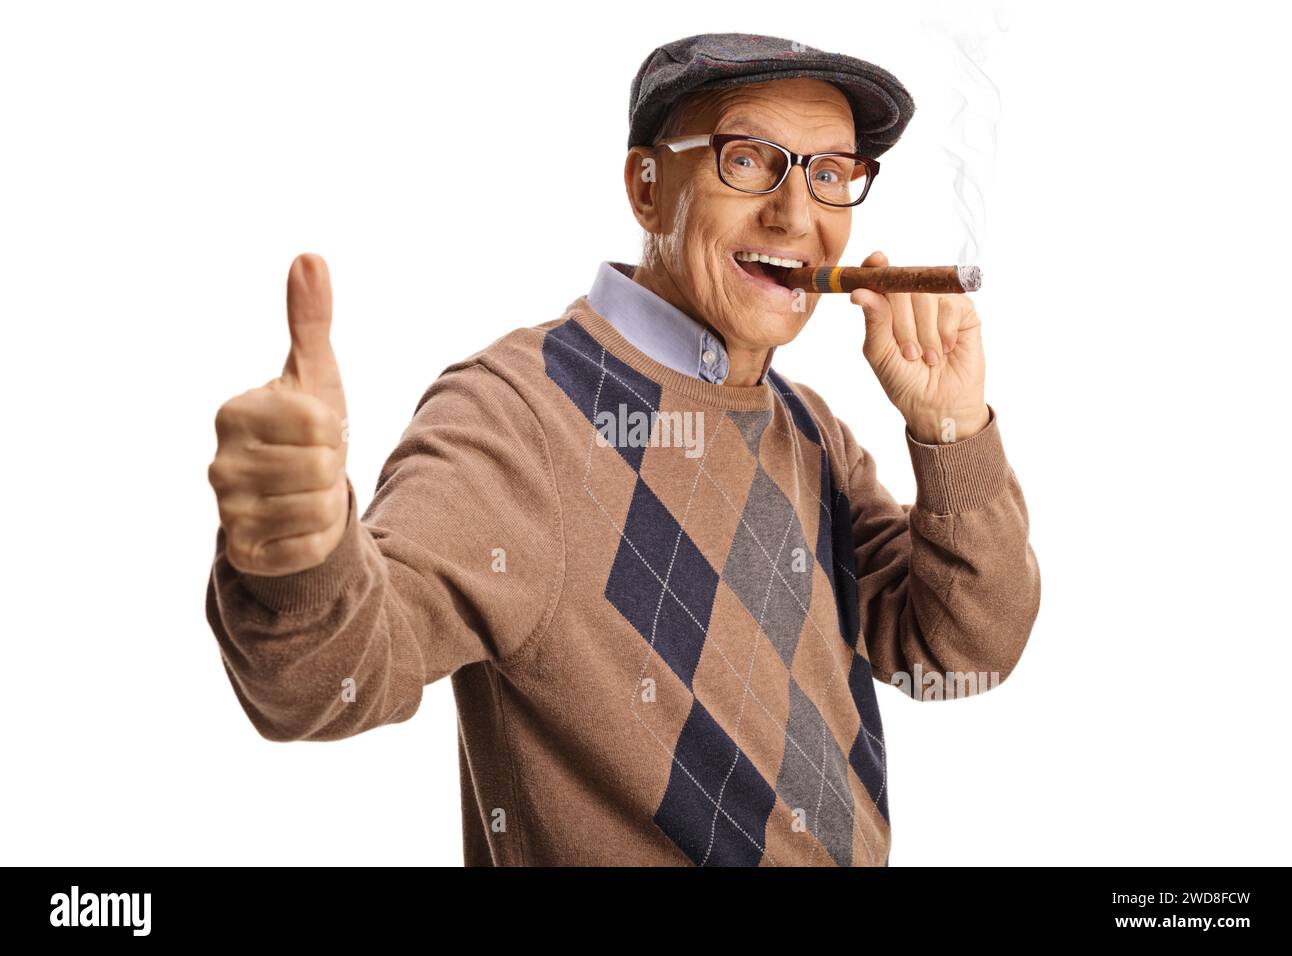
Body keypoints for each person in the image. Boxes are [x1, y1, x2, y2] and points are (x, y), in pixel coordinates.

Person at [205, 32, 1040, 866]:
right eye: (747, 160)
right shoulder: (518, 414)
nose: (795, 215)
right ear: (647, 187)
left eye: (828, 174)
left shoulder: (809, 427)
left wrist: (951, 428)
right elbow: (322, 679)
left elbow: (965, 648)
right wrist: (295, 556)